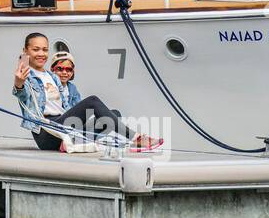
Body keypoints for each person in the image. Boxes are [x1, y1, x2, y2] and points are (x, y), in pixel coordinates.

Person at [12, 35, 162, 151]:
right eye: (35, 49)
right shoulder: (27, 76)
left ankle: (78, 143)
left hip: (64, 126)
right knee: (92, 101)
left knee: (113, 114)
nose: (41, 54)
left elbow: (68, 104)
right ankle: (136, 138)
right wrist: (18, 82)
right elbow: (21, 94)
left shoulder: (51, 76)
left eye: (45, 49)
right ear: (25, 51)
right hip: (48, 133)